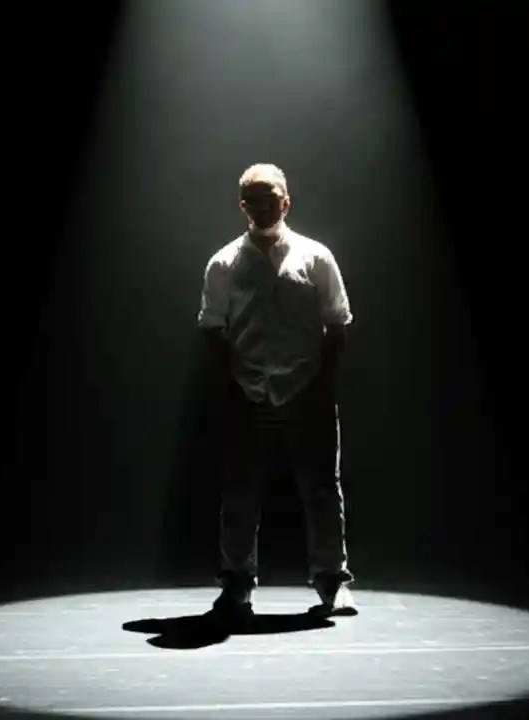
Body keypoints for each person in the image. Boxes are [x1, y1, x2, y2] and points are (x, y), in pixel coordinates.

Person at [196, 163, 357, 623]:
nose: (262, 207)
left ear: (286, 202)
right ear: (242, 205)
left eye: (269, 199)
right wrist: (235, 380)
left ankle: (332, 582)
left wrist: (321, 383)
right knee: (240, 493)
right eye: (253, 200)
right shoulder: (224, 263)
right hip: (249, 396)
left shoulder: (316, 257)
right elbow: (212, 326)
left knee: (322, 490)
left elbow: (338, 323)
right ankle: (237, 585)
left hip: (307, 394)